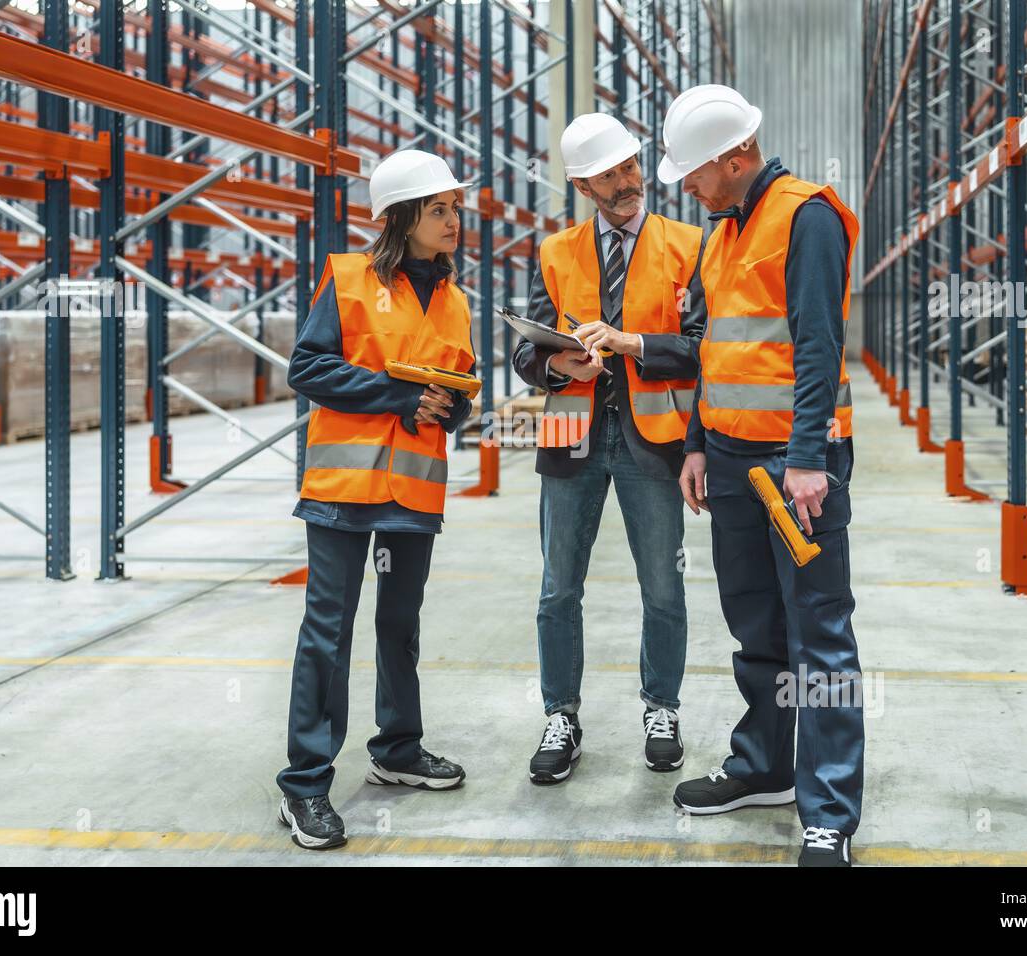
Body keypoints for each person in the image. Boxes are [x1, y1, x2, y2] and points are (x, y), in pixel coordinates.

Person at [657, 86, 864, 867]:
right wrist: (699, 443)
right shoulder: (721, 231)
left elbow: (818, 347)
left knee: (821, 638)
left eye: (696, 172)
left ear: (736, 158)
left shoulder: (805, 217)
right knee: (757, 627)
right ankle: (766, 766)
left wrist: (809, 459)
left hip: (790, 467)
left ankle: (830, 812)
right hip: (736, 462)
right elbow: (715, 349)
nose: (687, 185)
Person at [276, 149, 476, 850]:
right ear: (401, 219)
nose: (455, 221)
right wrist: (400, 397)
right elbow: (308, 366)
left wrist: (448, 409)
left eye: (455, 209)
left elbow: (458, 394)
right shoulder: (349, 278)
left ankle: (396, 749)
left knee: (400, 623)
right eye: (439, 210)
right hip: (344, 487)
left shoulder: (454, 300)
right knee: (327, 633)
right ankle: (304, 785)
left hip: (413, 491)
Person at [512, 113, 707, 784]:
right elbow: (524, 353)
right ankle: (560, 715)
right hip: (573, 440)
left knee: (663, 587)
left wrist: (634, 346)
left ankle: (662, 708)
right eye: (610, 175)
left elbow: (707, 345)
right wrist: (561, 368)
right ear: (583, 184)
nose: (628, 182)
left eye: (631, 167)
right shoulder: (554, 251)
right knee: (558, 590)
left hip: (655, 442)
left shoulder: (690, 246)